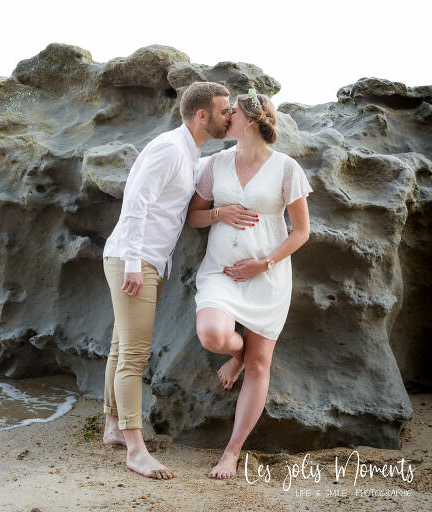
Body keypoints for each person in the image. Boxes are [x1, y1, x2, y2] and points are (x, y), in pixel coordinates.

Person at [101, 82, 232, 480]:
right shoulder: (170, 149)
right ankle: (136, 450)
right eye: (224, 110)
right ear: (202, 116)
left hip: (144, 259)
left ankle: (113, 428)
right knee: (135, 355)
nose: (229, 116)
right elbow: (136, 202)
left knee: (120, 347)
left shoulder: (189, 153)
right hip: (133, 258)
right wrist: (135, 263)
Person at [187, 89, 312, 479]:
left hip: (266, 279)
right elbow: (194, 217)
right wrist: (220, 214)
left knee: (260, 365)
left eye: (234, 113)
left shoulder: (287, 168)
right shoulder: (215, 164)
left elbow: (302, 232)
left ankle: (231, 452)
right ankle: (235, 351)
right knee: (212, 334)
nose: (227, 117)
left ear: (251, 122)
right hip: (221, 273)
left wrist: (264, 264)